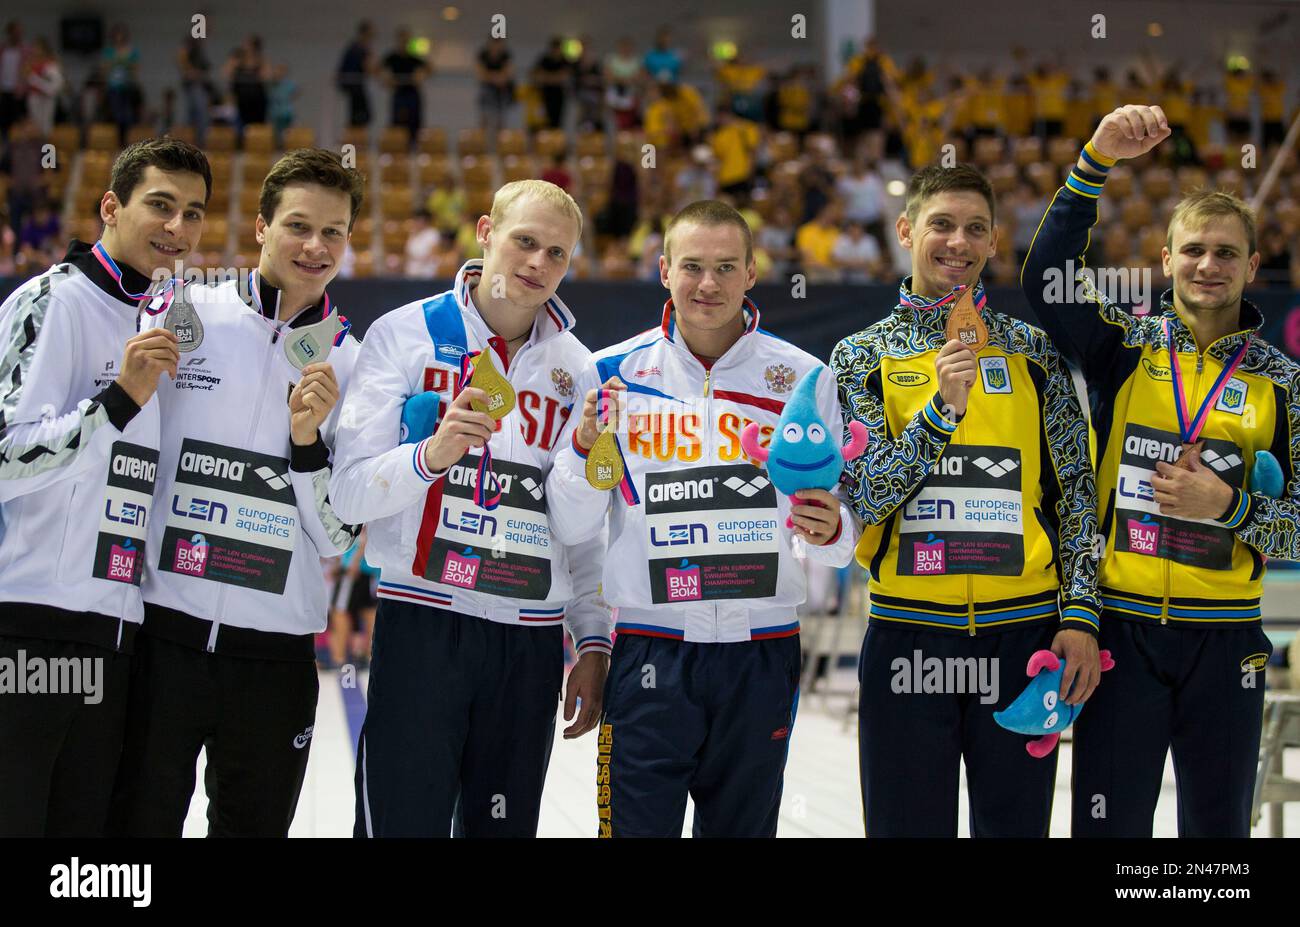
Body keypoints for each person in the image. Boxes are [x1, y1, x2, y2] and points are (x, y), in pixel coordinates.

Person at [1021, 103, 1300, 837]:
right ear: (1167, 256)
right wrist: (1095, 161)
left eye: (1226, 252)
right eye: (1194, 250)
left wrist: (1231, 506)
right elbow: (1046, 272)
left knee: (1216, 835)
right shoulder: (1126, 346)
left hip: (1228, 640)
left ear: (1252, 265)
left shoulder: (1283, 383)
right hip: (1123, 631)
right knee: (1107, 828)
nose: (1209, 265)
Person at [546, 199, 860, 837]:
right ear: (663, 269)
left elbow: (836, 542)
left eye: (725, 267)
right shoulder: (608, 372)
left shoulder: (805, 378)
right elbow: (573, 522)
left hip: (763, 650)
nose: (708, 284)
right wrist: (581, 449)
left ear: (752, 273)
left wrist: (834, 531)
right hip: (651, 645)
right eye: (692, 266)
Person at [330, 180, 612, 837]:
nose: (538, 263)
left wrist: (592, 638)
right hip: (424, 621)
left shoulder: (578, 369)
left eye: (557, 253)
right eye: (524, 241)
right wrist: (431, 454)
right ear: (485, 231)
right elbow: (348, 491)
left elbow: (582, 530)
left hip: (531, 640)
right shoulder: (405, 334)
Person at [832, 163, 1101, 837]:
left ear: (993, 242)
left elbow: (1076, 498)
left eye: (974, 229)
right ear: (906, 230)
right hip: (907, 636)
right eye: (941, 225)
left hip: (1023, 637)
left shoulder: (1034, 354)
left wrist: (1084, 618)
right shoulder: (859, 358)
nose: (957, 242)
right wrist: (940, 413)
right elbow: (866, 495)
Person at [108, 148, 365, 838]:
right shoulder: (183, 312)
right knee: (134, 830)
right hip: (163, 633)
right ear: (260, 226)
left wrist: (308, 444)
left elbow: (341, 534)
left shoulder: (352, 361)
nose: (315, 246)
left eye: (333, 231)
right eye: (298, 226)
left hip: (273, 655)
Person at [0, 137, 210, 836]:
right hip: (29, 627)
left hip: (116, 631)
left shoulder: (167, 314)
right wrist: (117, 400)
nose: (176, 228)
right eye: (160, 205)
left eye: (193, 213)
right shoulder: (50, 301)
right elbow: (5, 455)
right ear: (110, 206)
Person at [383, 26, 430, 143]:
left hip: (412, 94)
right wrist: (387, 79)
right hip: (399, 95)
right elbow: (377, 69)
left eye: (406, 40)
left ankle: (414, 149)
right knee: (398, 125)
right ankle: (398, 150)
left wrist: (420, 75)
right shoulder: (392, 57)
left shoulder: (414, 57)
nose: (404, 42)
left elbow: (430, 68)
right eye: (402, 39)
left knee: (414, 124)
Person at [337, 21, 374, 129]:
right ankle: (353, 137)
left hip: (355, 85)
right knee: (362, 114)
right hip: (354, 85)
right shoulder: (359, 47)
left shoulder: (356, 47)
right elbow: (368, 67)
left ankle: (356, 136)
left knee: (360, 114)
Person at [476, 36, 513, 134]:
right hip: (486, 91)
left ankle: (500, 146)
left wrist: (490, 76)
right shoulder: (483, 55)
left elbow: (507, 76)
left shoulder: (506, 56)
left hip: (501, 92)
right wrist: (497, 77)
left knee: (501, 121)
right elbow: (480, 75)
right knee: (484, 120)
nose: (496, 46)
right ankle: (482, 146)